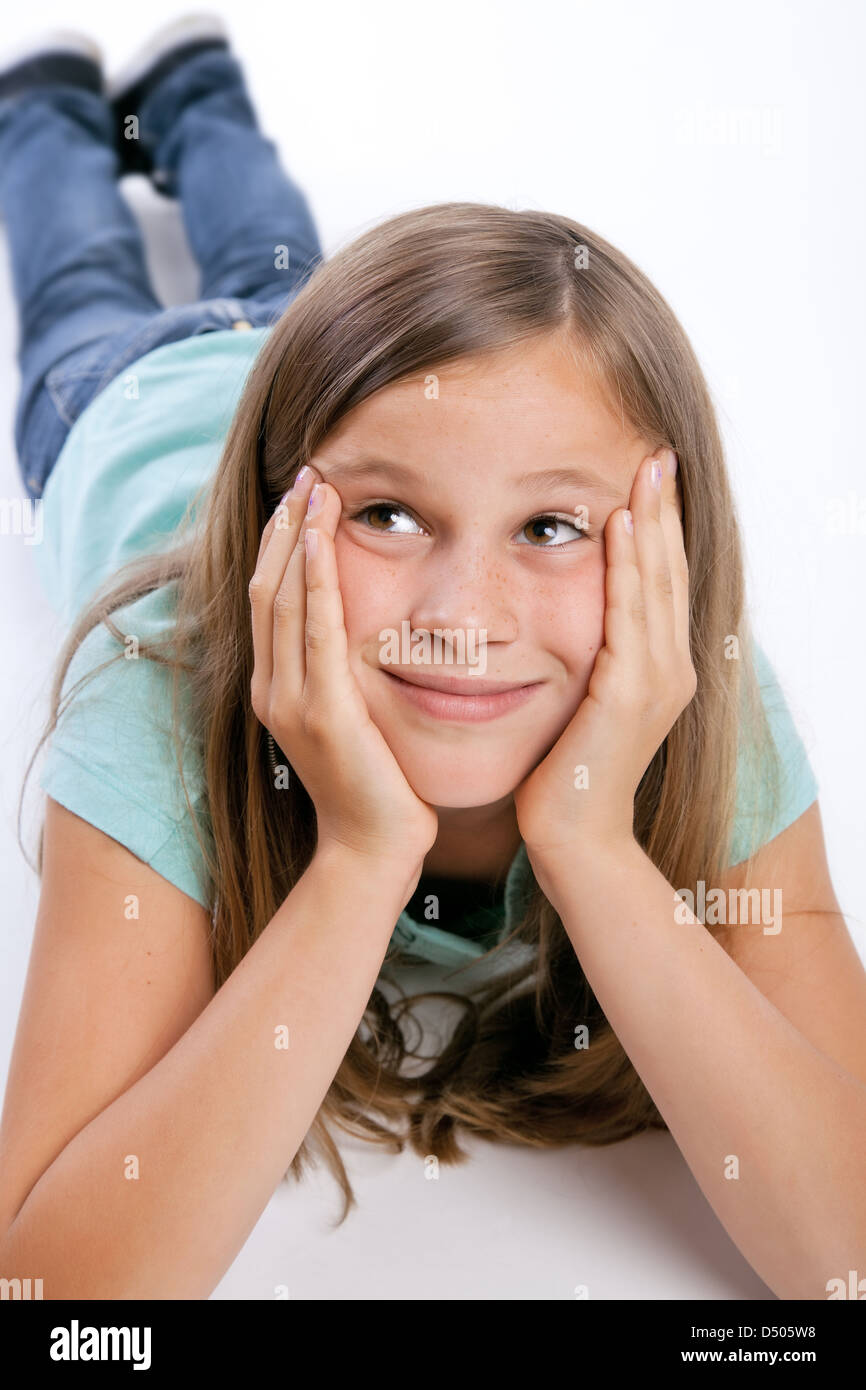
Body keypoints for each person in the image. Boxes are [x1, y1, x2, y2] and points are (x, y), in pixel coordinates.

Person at [0, 14, 864, 1304]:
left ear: (663, 554)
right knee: (81, 290)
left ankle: (193, 91)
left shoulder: (693, 693)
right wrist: (358, 853)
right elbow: (55, 1306)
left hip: (333, 363)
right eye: (389, 517)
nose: (466, 613)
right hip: (131, 400)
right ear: (292, 506)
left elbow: (847, 1255)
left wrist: (591, 840)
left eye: (552, 526)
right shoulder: (153, 695)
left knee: (267, 251)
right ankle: (46, 103)